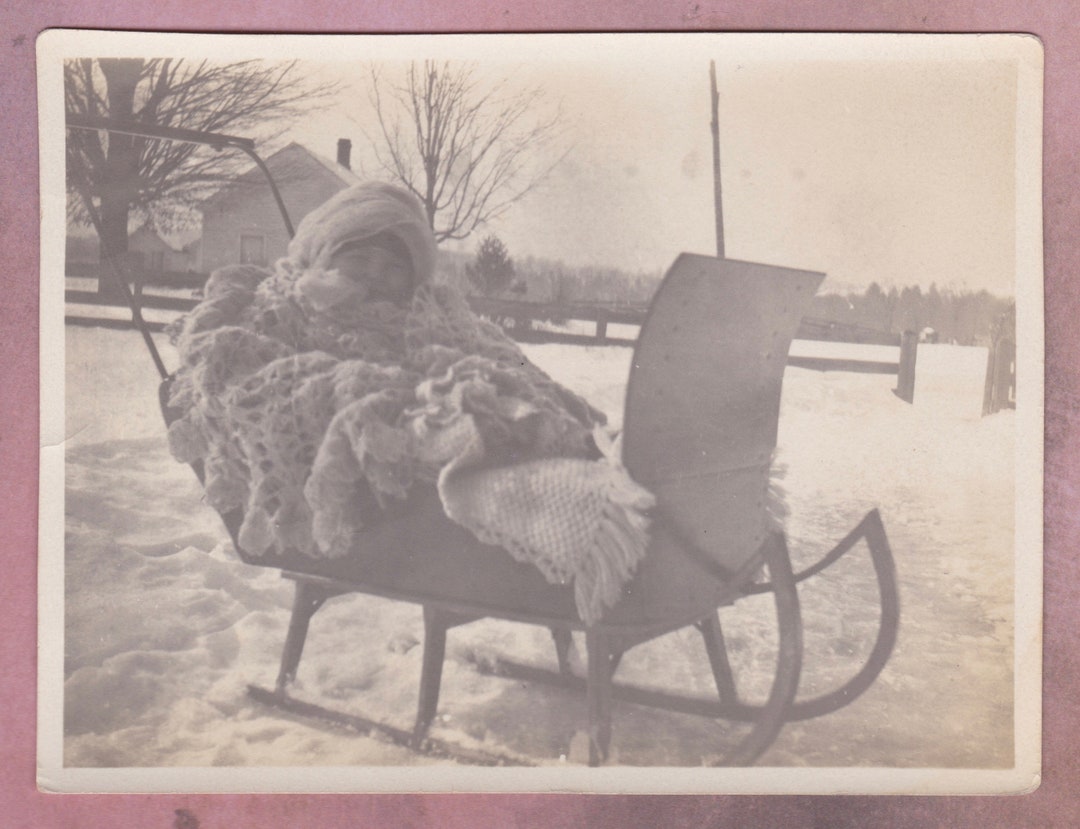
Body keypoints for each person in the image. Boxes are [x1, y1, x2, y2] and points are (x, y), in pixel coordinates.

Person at [167, 181, 653, 625]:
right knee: (560, 486)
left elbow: (510, 366)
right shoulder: (281, 308)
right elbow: (255, 381)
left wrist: (498, 397)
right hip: (388, 491)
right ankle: (602, 545)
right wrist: (394, 396)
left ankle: (623, 527)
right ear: (326, 254)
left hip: (458, 454)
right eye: (361, 258)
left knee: (592, 467)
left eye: (395, 267)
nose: (378, 276)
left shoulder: (435, 317)